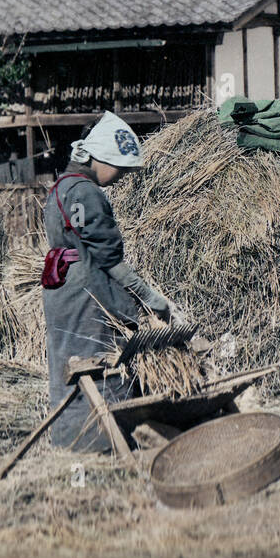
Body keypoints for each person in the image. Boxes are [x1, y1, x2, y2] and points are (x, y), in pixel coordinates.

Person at [41, 111, 178, 451]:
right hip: (88, 294)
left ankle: (71, 441)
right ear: (97, 157)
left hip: (60, 291)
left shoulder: (59, 188)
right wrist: (150, 298)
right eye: (120, 168)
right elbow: (109, 259)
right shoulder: (87, 193)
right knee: (101, 364)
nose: (121, 177)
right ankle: (104, 443)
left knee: (69, 365)